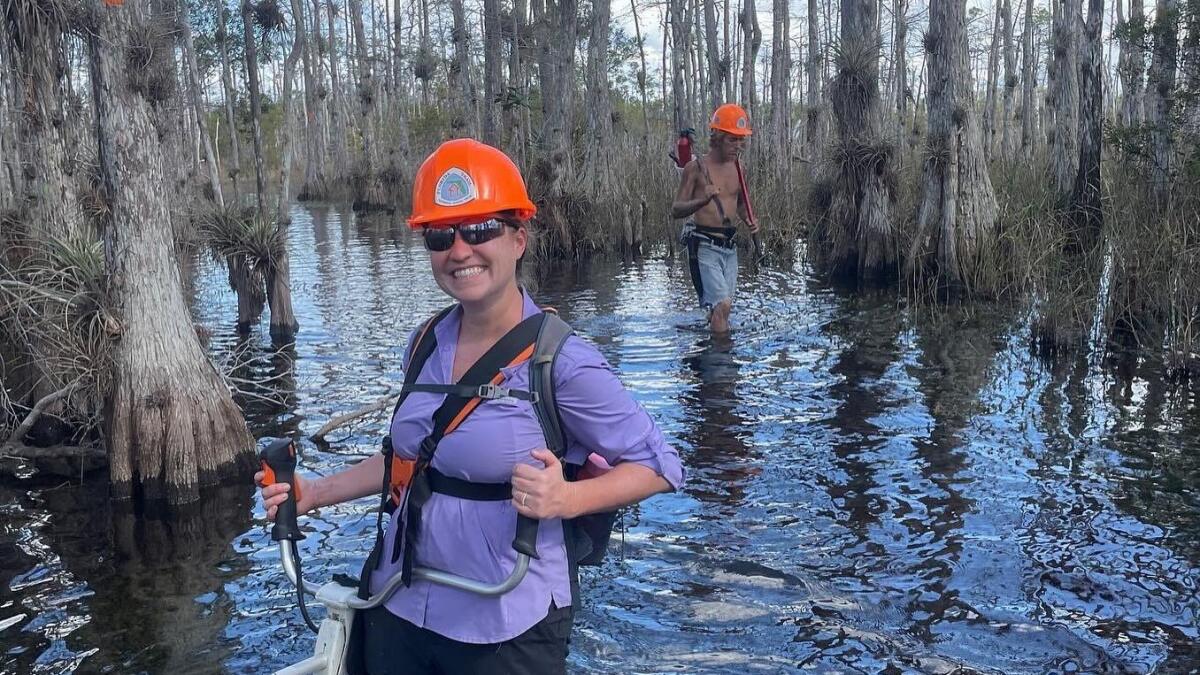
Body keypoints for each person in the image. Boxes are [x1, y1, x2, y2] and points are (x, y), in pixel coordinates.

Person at [257, 138, 684, 675]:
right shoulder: (425, 341)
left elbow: (660, 466)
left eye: (481, 229)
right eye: (441, 235)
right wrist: (315, 492)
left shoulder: (562, 361)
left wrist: (567, 498)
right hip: (400, 600)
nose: (460, 250)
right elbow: (410, 460)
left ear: (519, 238)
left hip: (506, 622)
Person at [671, 103, 761, 333]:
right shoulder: (695, 168)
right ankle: (723, 363)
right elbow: (676, 209)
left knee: (720, 310)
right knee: (723, 306)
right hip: (705, 246)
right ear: (717, 137)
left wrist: (749, 219)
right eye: (732, 140)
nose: (738, 146)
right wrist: (702, 200)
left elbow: (740, 203)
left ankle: (708, 358)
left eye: (741, 140)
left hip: (729, 249)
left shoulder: (739, 167)